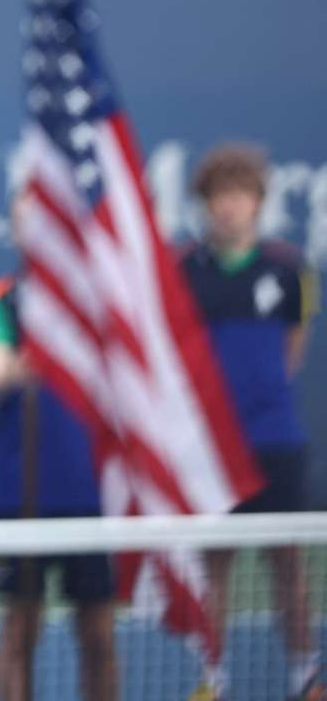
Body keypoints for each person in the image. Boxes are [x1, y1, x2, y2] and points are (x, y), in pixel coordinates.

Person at [180, 144, 322, 701]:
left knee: (288, 563)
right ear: (207, 203)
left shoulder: (289, 270)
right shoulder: (184, 270)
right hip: (213, 449)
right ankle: (213, 680)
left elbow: (290, 353)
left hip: (276, 444)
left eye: (240, 196)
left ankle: (305, 677)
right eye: (219, 196)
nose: (229, 207)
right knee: (214, 565)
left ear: (258, 203)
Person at [0, 195, 118, 701]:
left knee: (98, 634)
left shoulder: (99, 300)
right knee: (20, 632)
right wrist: (42, 351)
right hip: (23, 496)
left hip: (94, 495)